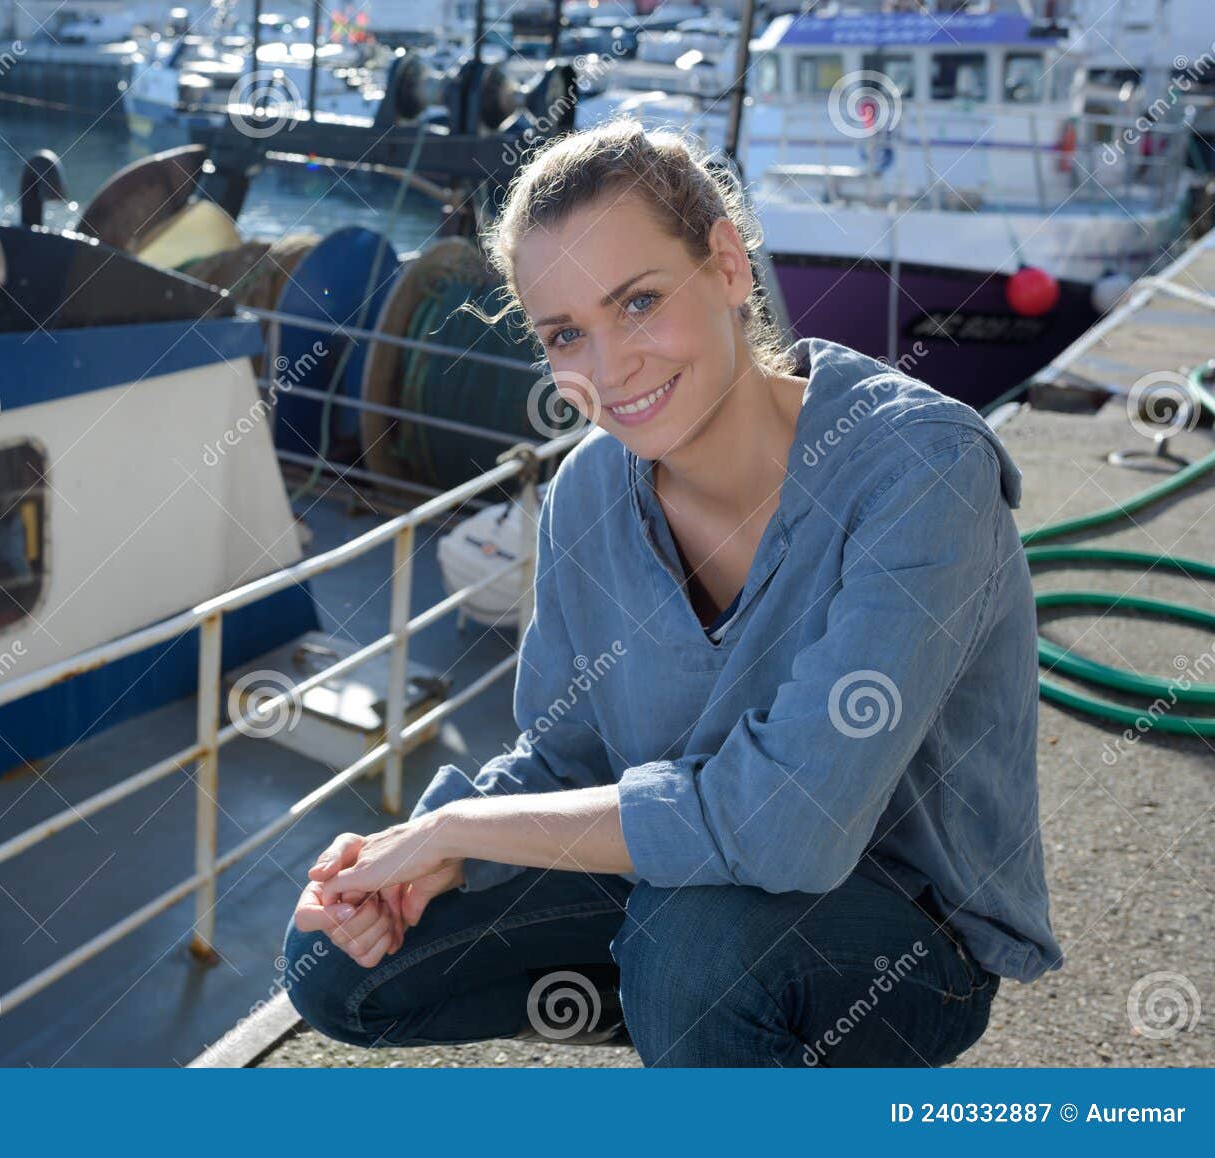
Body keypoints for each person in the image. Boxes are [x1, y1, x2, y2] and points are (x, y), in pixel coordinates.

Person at [280, 118, 1062, 1067]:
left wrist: (459, 826)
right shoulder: (587, 494)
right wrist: (421, 855)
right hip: (681, 892)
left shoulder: (919, 473)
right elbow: (566, 759)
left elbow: (794, 829)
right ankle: (695, 1032)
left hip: (900, 937)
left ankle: (707, 1028)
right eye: (567, 333)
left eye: (641, 302)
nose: (610, 370)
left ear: (729, 265)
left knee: (697, 952)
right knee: (334, 954)